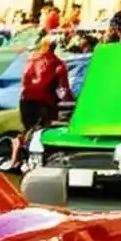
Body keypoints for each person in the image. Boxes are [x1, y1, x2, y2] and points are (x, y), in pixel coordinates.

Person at [11, 38, 72, 168]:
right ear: (54, 47)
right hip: (44, 101)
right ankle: (38, 160)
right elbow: (62, 89)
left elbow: (24, 80)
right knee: (43, 130)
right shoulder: (57, 64)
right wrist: (68, 102)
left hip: (26, 99)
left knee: (28, 129)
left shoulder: (30, 60)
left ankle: (16, 156)